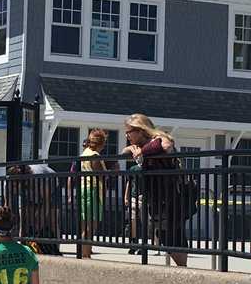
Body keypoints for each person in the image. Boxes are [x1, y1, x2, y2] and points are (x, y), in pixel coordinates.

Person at [123, 113, 187, 267]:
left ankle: (183, 269)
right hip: (155, 197)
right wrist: (133, 149)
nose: (127, 135)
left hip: (170, 196)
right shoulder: (143, 145)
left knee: (173, 235)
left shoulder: (159, 138)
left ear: (140, 130)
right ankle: (182, 268)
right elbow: (125, 152)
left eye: (129, 131)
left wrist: (142, 152)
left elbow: (165, 145)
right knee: (165, 236)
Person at [77, 129, 108, 258]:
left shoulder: (85, 153)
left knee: (85, 225)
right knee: (92, 225)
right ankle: (85, 254)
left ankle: (85, 252)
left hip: (84, 188)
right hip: (93, 190)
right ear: (101, 143)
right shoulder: (95, 155)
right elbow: (99, 174)